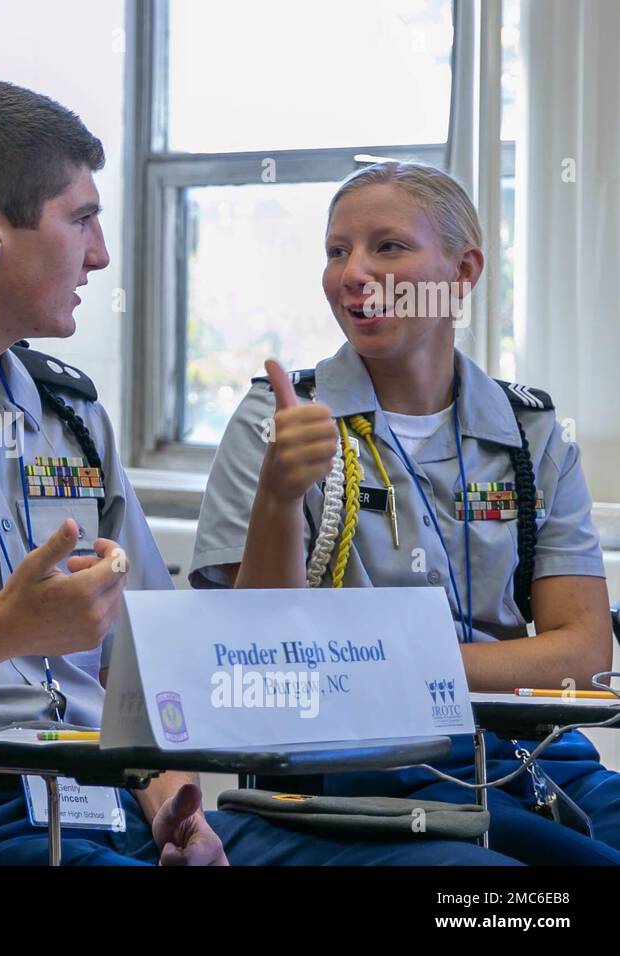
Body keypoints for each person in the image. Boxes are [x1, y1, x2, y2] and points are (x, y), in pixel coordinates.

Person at [0, 85, 516, 865]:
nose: (99, 253)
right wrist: (1, 630)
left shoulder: (68, 414)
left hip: (110, 809)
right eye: (81, 219)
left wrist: (174, 806)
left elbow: (148, 669)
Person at [191, 160, 620, 865]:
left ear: (463, 272)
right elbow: (259, 659)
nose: (353, 273)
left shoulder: (531, 435)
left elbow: (580, 656)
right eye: (337, 251)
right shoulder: (279, 421)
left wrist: (382, 663)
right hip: (367, 768)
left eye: (387, 246)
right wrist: (279, 495)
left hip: (534, 756)